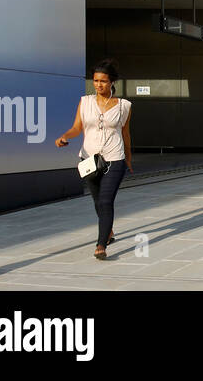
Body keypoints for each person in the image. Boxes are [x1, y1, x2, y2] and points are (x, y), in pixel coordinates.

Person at [56, 60, 133, 259]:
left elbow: (125, 134)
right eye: (96, 80)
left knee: (106, 201)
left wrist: (129, 159)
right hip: (89, 159)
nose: (98, 85)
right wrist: (65, 136)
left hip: (115, 159)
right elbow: (77, 127)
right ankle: (108, 230)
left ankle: (101, 245)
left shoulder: (123, 106)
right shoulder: (85, 101)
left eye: (103, 81)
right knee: (98, 202)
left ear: (112, 82)